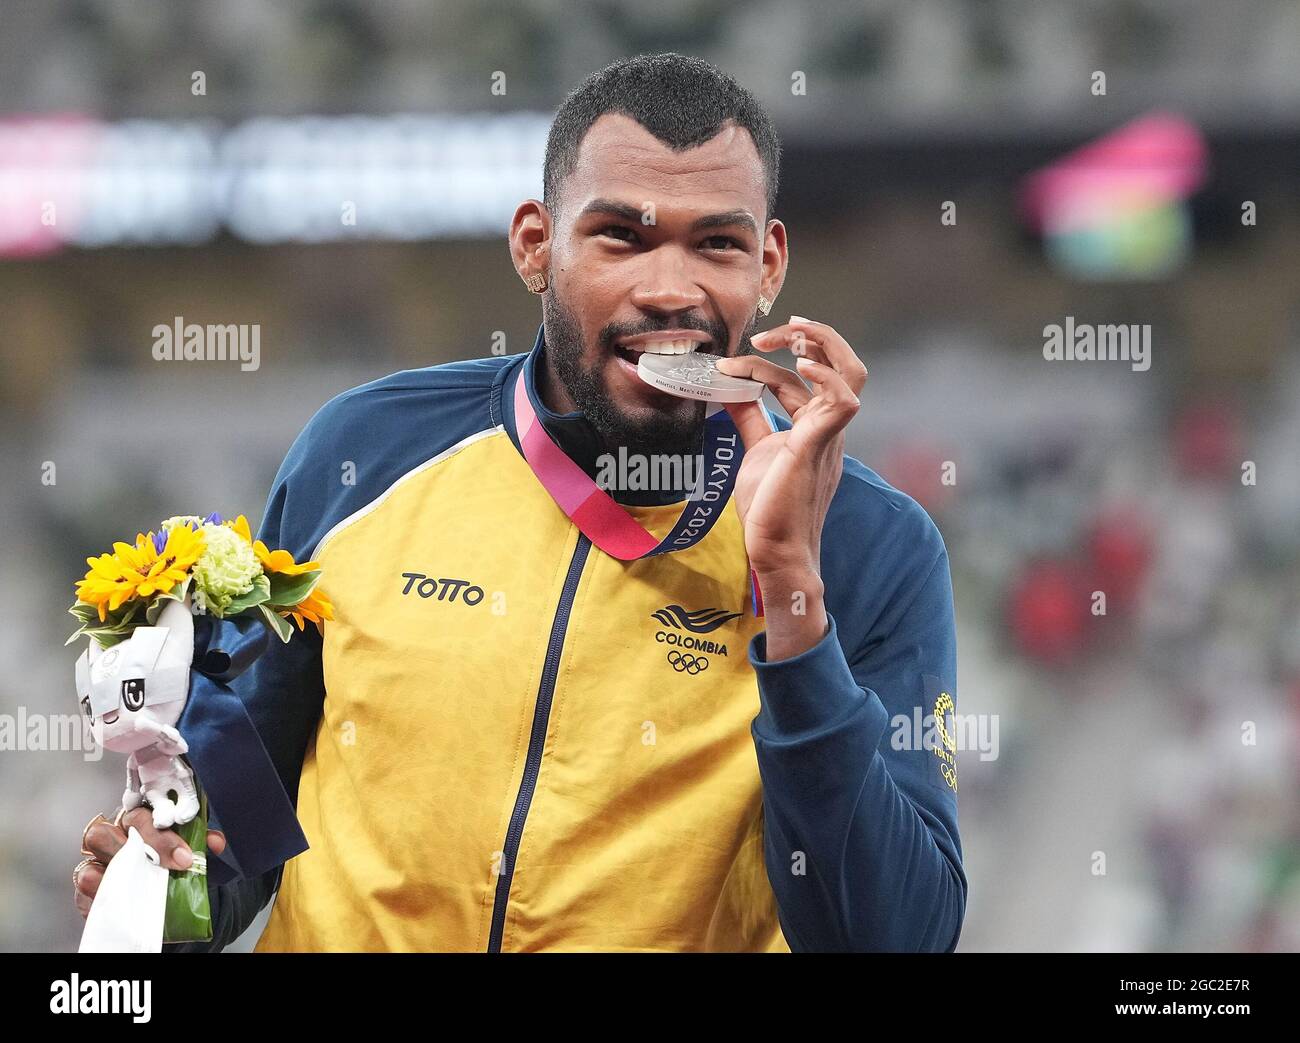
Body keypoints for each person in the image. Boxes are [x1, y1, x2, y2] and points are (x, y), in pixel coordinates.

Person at [74, 52, 966, 952]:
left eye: (717, 243)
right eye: (622, 235)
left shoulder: (870, 545)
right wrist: (161, 895)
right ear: (536, 246)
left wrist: (791, 592)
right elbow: (242, 827)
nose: (670, 290)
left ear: (768, 262)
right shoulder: (362, 453)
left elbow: (897, 937)